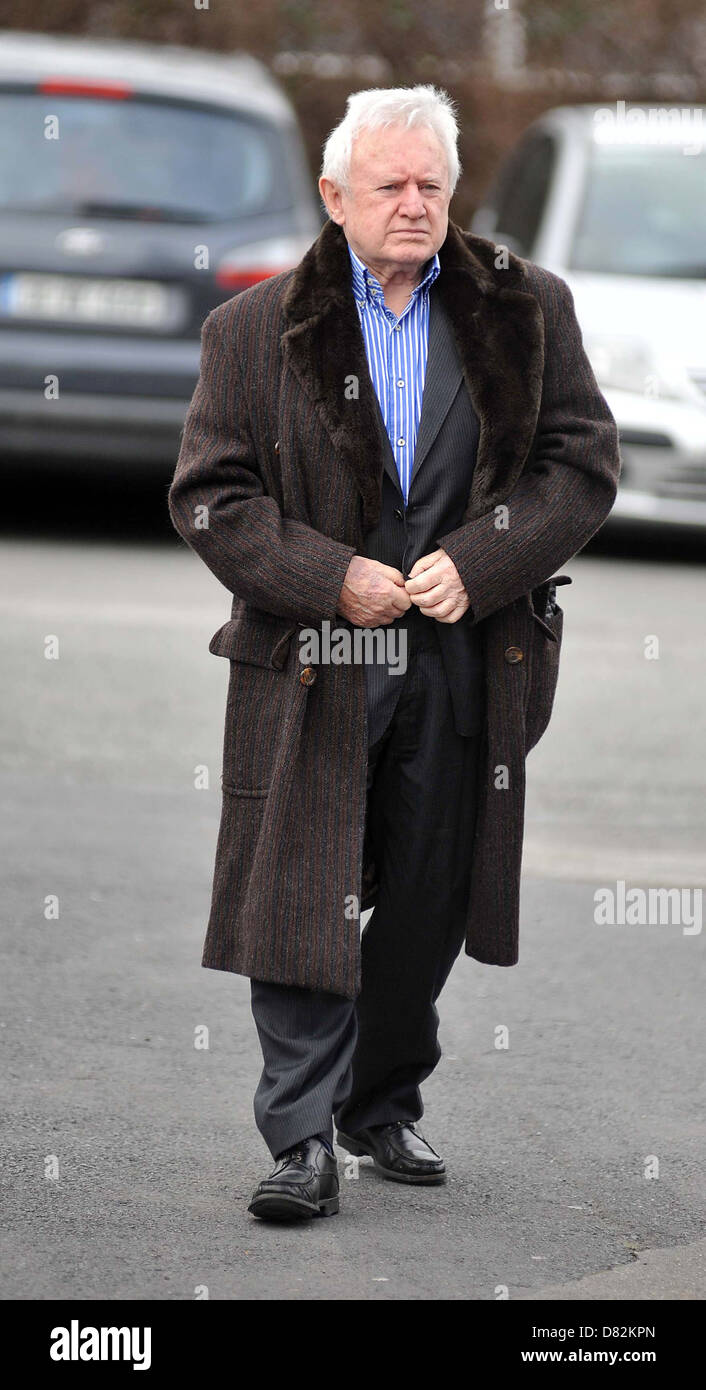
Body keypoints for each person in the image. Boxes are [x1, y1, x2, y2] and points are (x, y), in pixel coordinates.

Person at [168, 85, 620, 1222]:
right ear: (334, 196)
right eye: (389, 186)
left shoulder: (527, 308)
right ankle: (300, 1138)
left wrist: (483, 557)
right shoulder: (252, 328)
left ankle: (379, 1101)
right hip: (315, 653)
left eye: (431, 184)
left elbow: (579, 463)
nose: (414, 204)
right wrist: (330, 576)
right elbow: (212, 497)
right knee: (302, 889)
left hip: (469, 655)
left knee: (429, 894)